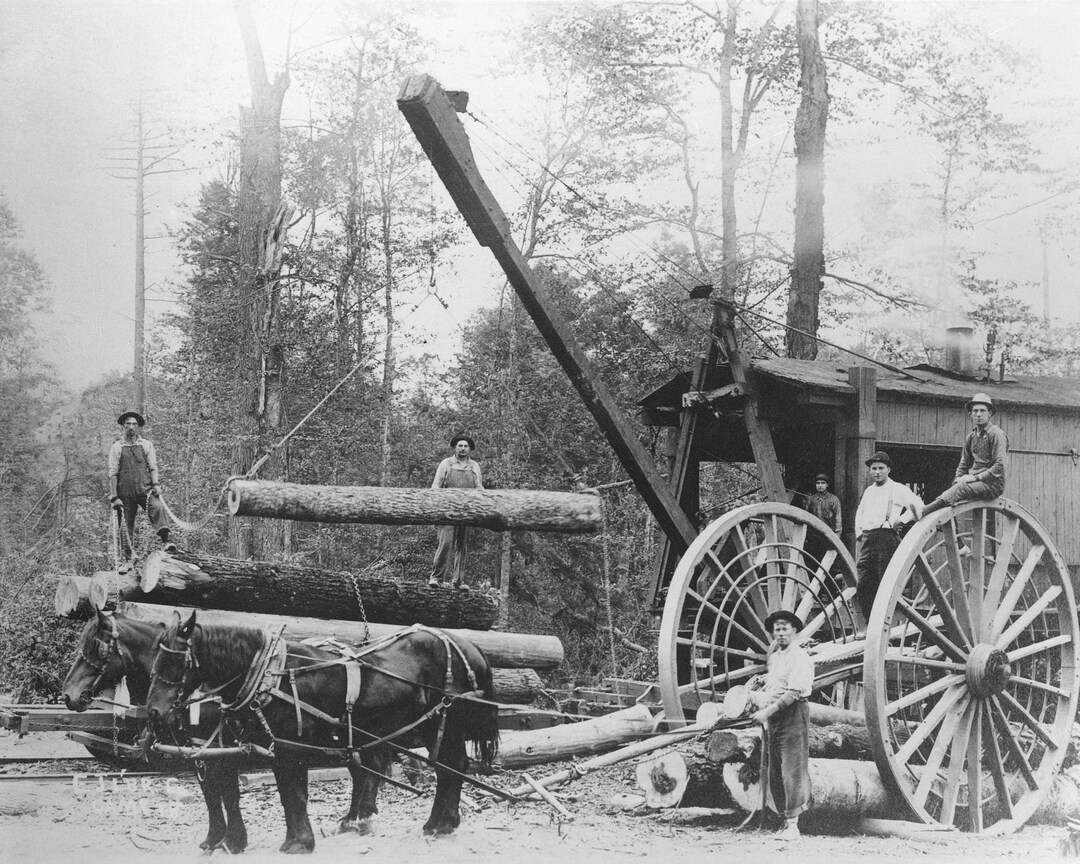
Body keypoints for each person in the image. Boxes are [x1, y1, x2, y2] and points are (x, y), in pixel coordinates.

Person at [748, 609, 814, 840]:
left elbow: (792, 694)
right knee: (774, 770)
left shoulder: (800, 657)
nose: (781, 632)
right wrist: (755, 700)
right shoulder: (776, 657)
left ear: (794, 631)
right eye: (777, 628)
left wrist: (766, 712)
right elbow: (773, 690)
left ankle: (794, 826)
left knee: (791, 770)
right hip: (775, 717)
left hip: (793, 714)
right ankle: (784, 822)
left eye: (785, 628)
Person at [854, 451, 923, 619]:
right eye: (874, 468)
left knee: (884, 585)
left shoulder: (897, 489)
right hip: (868, 540)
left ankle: (883, 626)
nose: (877, 472)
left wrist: (902, 519)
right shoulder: (869, 491)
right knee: (864, 585)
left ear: (888, 469)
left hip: (886, 539)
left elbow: (919, 505)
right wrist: (859, 534)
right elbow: (860, 513)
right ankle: (870, 624)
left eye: (881, 468)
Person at [921, 392, 1007, 518]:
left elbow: (1000, 466)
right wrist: (957, 480)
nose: (978, 414)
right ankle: (944, 519)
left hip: (993, 484)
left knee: (961, 488)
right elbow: (964, 463)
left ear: (990, 414)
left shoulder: (996, 434)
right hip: (976, 483)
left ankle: (924, 511)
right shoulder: (971, 437)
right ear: (970, 414)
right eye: (975, 411)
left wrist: (974, 478)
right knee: (956, 488)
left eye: (982, 411)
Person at [108, 411, 174, 570]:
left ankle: (166, 542)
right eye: (128, 424)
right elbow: (112, 473)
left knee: (157, 508)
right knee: (125, 525)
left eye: (134, 424)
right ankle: (128, 560)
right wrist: (114, 497)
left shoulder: (146, 445)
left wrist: (156, 484)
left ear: (138, 427)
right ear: (123, 426)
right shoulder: (117, 447)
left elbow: (153, 467)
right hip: (124, 493)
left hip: (145, 489)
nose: (131, 427)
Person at [429, 434, 483, 587]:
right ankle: (436, 578)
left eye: (466, 446)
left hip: (467, 511)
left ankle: (458, 581)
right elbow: (435, 487)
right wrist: (436, 508)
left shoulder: (474, 466)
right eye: (460, 445)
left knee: (462, 546)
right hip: (447, 511)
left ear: (470, 449)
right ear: (455, 447)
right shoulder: (447, 464)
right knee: (445, 544)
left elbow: (479, 488)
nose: (463, 449)